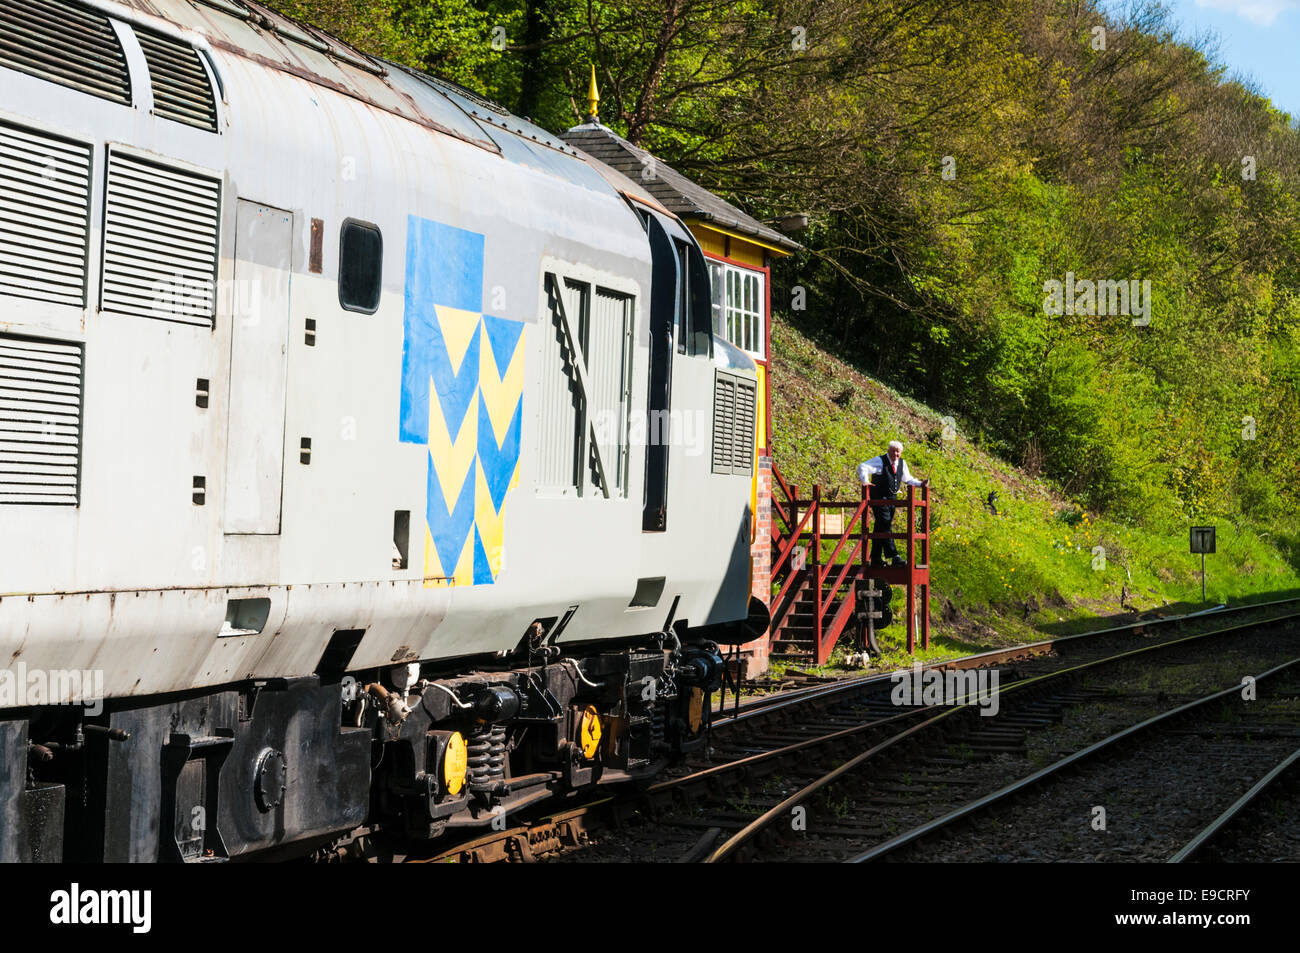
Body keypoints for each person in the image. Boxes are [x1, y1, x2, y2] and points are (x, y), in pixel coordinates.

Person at [857, 440, 925, 567]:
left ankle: (876, 558)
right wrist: (865, 480)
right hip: (878, 499)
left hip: (891, 500)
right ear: (889, 451)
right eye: (893, 451)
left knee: (880, 526)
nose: (896, 454)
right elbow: (863, 466)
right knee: (886, 524)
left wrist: (920, 484)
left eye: (898, 451)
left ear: (901, 452)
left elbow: (908, 479)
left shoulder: (902, 464)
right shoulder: (880, 460)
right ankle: (894, 555)